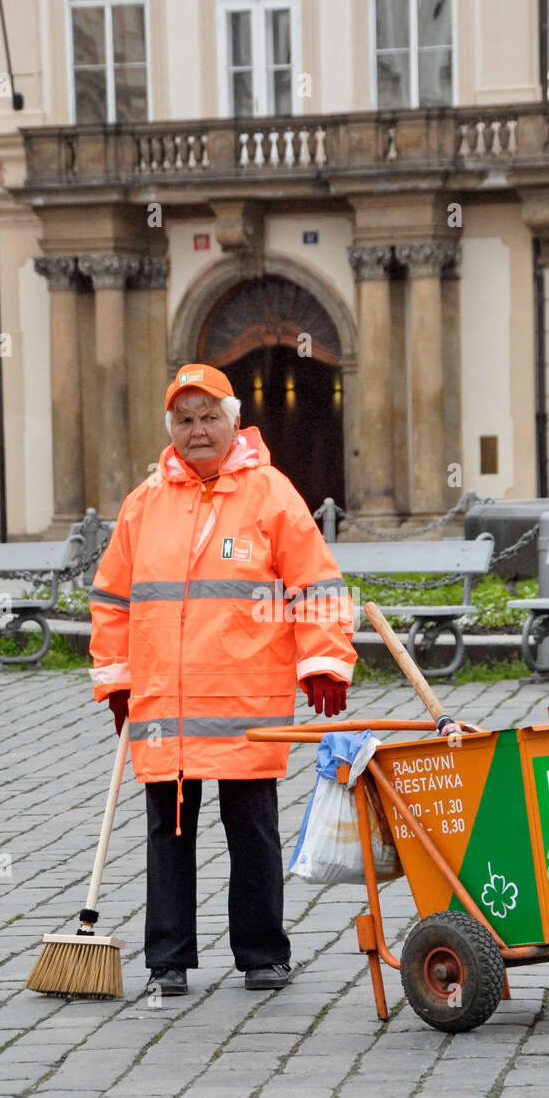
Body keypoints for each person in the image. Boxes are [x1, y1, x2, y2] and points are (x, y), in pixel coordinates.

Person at [89, 363, 356, 1005]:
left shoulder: (269, 493)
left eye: (210, 416)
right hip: (164, 702)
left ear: (234, 421)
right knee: (169, 830)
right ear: (171, 429)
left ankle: (262, 953)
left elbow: (315, 584)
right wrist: (117, 679)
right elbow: (112, 598)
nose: (198, 429)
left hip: (244, 700)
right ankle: (168, 958)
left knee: (252, 826)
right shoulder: (145, 502)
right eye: (185, 419)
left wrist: (323, 662)